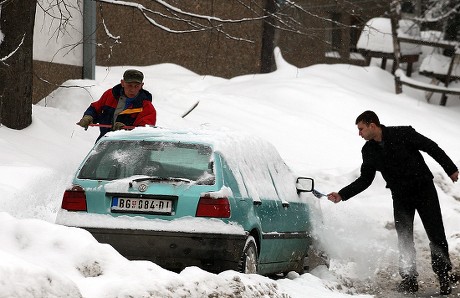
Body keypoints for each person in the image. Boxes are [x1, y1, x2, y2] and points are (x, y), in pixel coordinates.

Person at [327, 110, 458, 295]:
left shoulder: (403, 133)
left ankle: (444, 277)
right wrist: (342, 194)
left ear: (372, 125)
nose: (359, 133)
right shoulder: (369, 150)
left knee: (436, 235)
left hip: (424, 190)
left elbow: (431, 147)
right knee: (404, 239)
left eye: (361, 129)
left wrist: (450, 168)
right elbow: (366, 179)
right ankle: (409, 280)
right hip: (401, 197)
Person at [77, 69, 156, 141]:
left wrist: (125, 130)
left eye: (136, 86)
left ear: (142, 86)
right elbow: (95, 108)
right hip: (105, 142)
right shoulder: (109, 95)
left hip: (131, 149)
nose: (132, 89)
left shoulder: (146, 107)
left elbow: (144, 133)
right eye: (129, 85)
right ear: (122, 83)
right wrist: (88, 117)